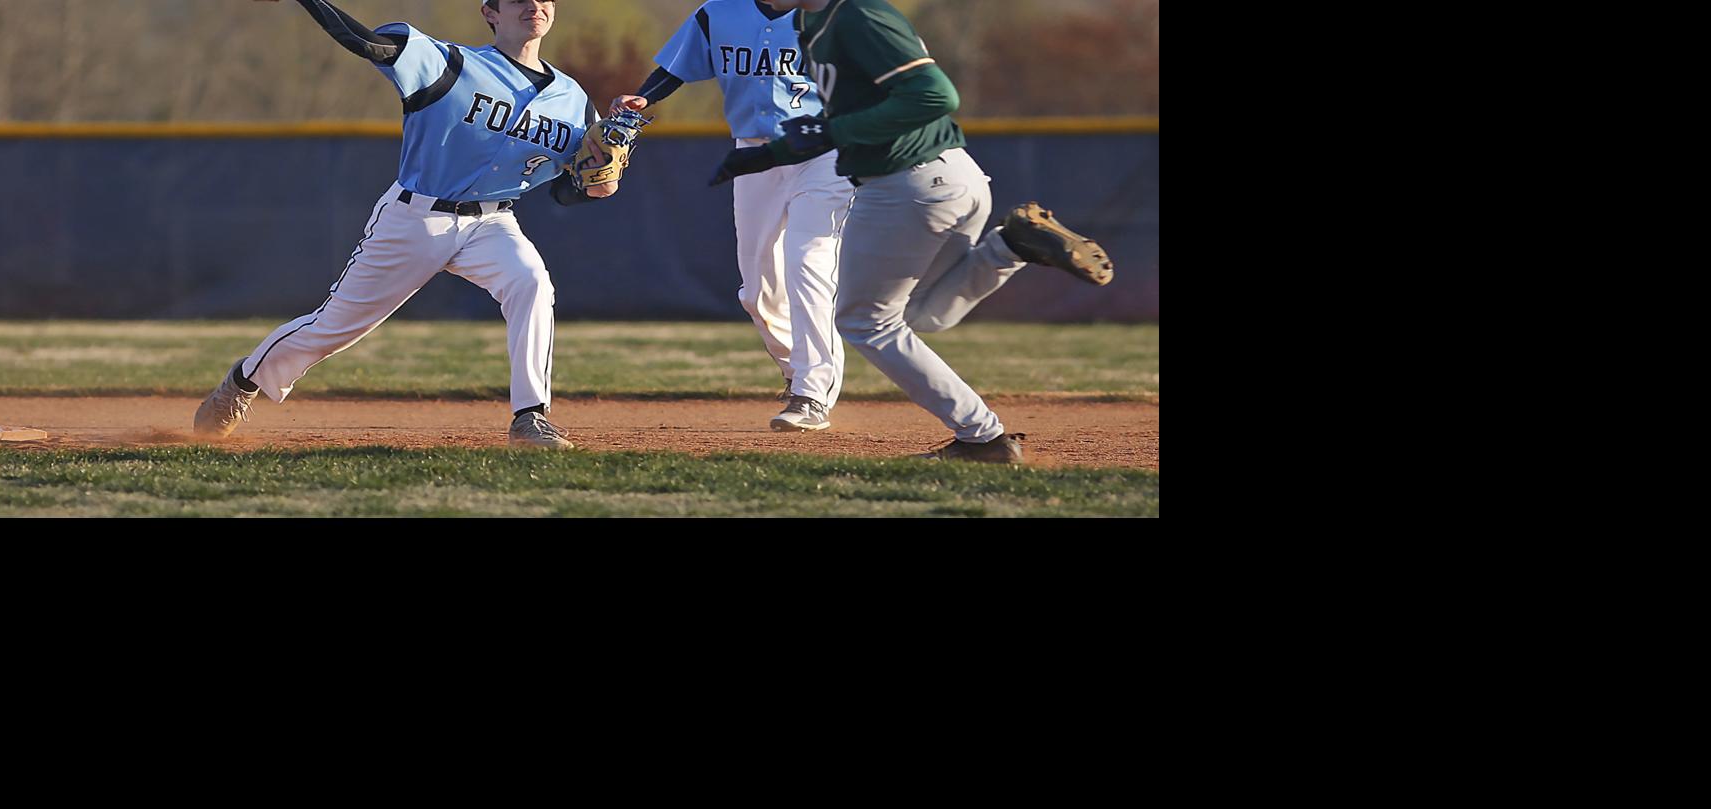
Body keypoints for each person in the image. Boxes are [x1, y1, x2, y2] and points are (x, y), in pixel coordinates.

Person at [196, 0, 623, 449]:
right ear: (491, 13)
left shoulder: (574, 101)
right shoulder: (450, 64)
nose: (534, 5)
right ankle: (244, 380)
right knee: (333, 328)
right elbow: (363, 42)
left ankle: (530, 417)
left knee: (531, 282)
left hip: (494, 221)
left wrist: (598, 183)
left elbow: (567, 190)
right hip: (416, 217)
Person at [713, 0, 1115, 463]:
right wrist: (776, 151)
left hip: (909, 184)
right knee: (919, 314)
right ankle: (1009, 245)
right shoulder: (812, 22)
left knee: (865, 321)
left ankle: (982, 438)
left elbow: (935, 94)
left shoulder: (857, 13)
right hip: (947, 181)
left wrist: (829, 134)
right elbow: (853, 108)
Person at [611, 1, 850, 432]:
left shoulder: (837, 14)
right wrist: (645, 96)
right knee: (757, 290)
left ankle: (813, 392)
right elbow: (678, 65)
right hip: (755, 151)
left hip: (825, 152)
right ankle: (799, 372)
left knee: (806, 262)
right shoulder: (719, 13)